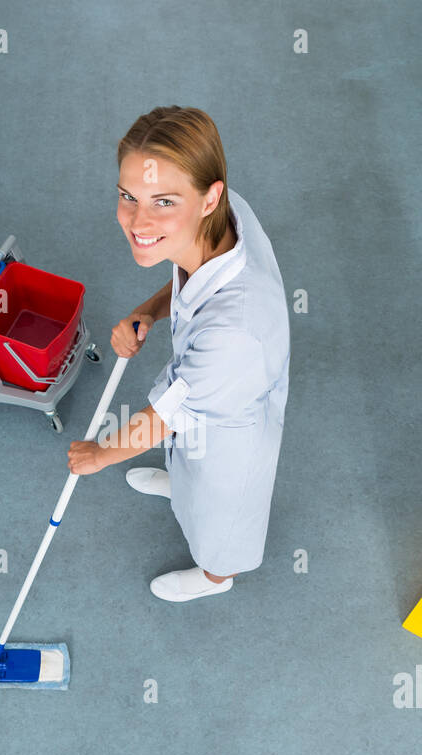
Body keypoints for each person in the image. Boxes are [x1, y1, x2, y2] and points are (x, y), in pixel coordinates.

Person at [67, 106, 289, 602]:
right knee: (189, 467)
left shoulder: (236, 332)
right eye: (129, 196)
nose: (138, 221)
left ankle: (215, 577)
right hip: (207, 387)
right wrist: (147, 311)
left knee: (221, 510)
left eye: (163, 201)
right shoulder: (218, 222)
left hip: (232, 428)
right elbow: (190, 284)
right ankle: (179, 487)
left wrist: (99, 455)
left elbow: (160, 419)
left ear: (210, 197)